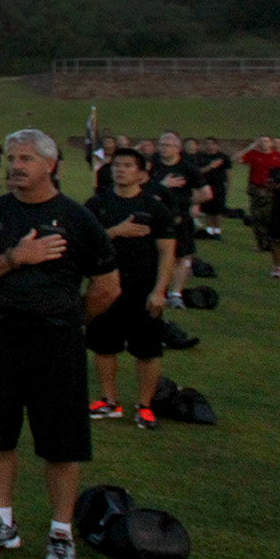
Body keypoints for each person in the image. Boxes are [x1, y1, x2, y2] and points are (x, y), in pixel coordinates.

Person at [0, 128, 120, 559]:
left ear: (50, 165)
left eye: (26, 158)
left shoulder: (76, 218)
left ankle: (61, 534)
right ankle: (1, 521)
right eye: (12, 157)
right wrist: (14, 258)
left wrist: (70, 322)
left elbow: (108, 286)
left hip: (56, 342)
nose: (16, 166)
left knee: (61, 444)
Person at [83, 148, 175, 429]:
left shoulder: (154, 207)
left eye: (127, 166)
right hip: (105, 286)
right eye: (117, 165)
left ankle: (145, 406)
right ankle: (109, 401)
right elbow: (85, 245)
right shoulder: (96, 205)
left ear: (142, 173)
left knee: (147, 350)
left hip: (143, 288)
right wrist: (115, 231)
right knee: (103, 346)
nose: (120, 170)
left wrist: (160, 290)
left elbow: (167, 252)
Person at [147, 132, 207, 308]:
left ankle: (176, 294)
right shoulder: (153, 167)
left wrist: (185, 204)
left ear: (177, 148)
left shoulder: (188, 169)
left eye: (167, 145)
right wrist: (162, 186)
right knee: (156, 254)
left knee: (181, 256)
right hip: (156, 217)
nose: (163, 148)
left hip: (180, 219)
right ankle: (158, 289)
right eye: (161, 144)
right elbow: (143, 189)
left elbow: (206, 193)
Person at [236, 135, 280, 276]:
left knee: (270, 216)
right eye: (261, 141)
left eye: (266, 141)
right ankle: (262, 244)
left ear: (271, 143)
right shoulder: (254, 154)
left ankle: (271, 243)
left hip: (271, 190)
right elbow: (237, 159)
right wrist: (251, 146)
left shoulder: (277, 156)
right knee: (256, 217)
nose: (264, 143)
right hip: (256, 189)